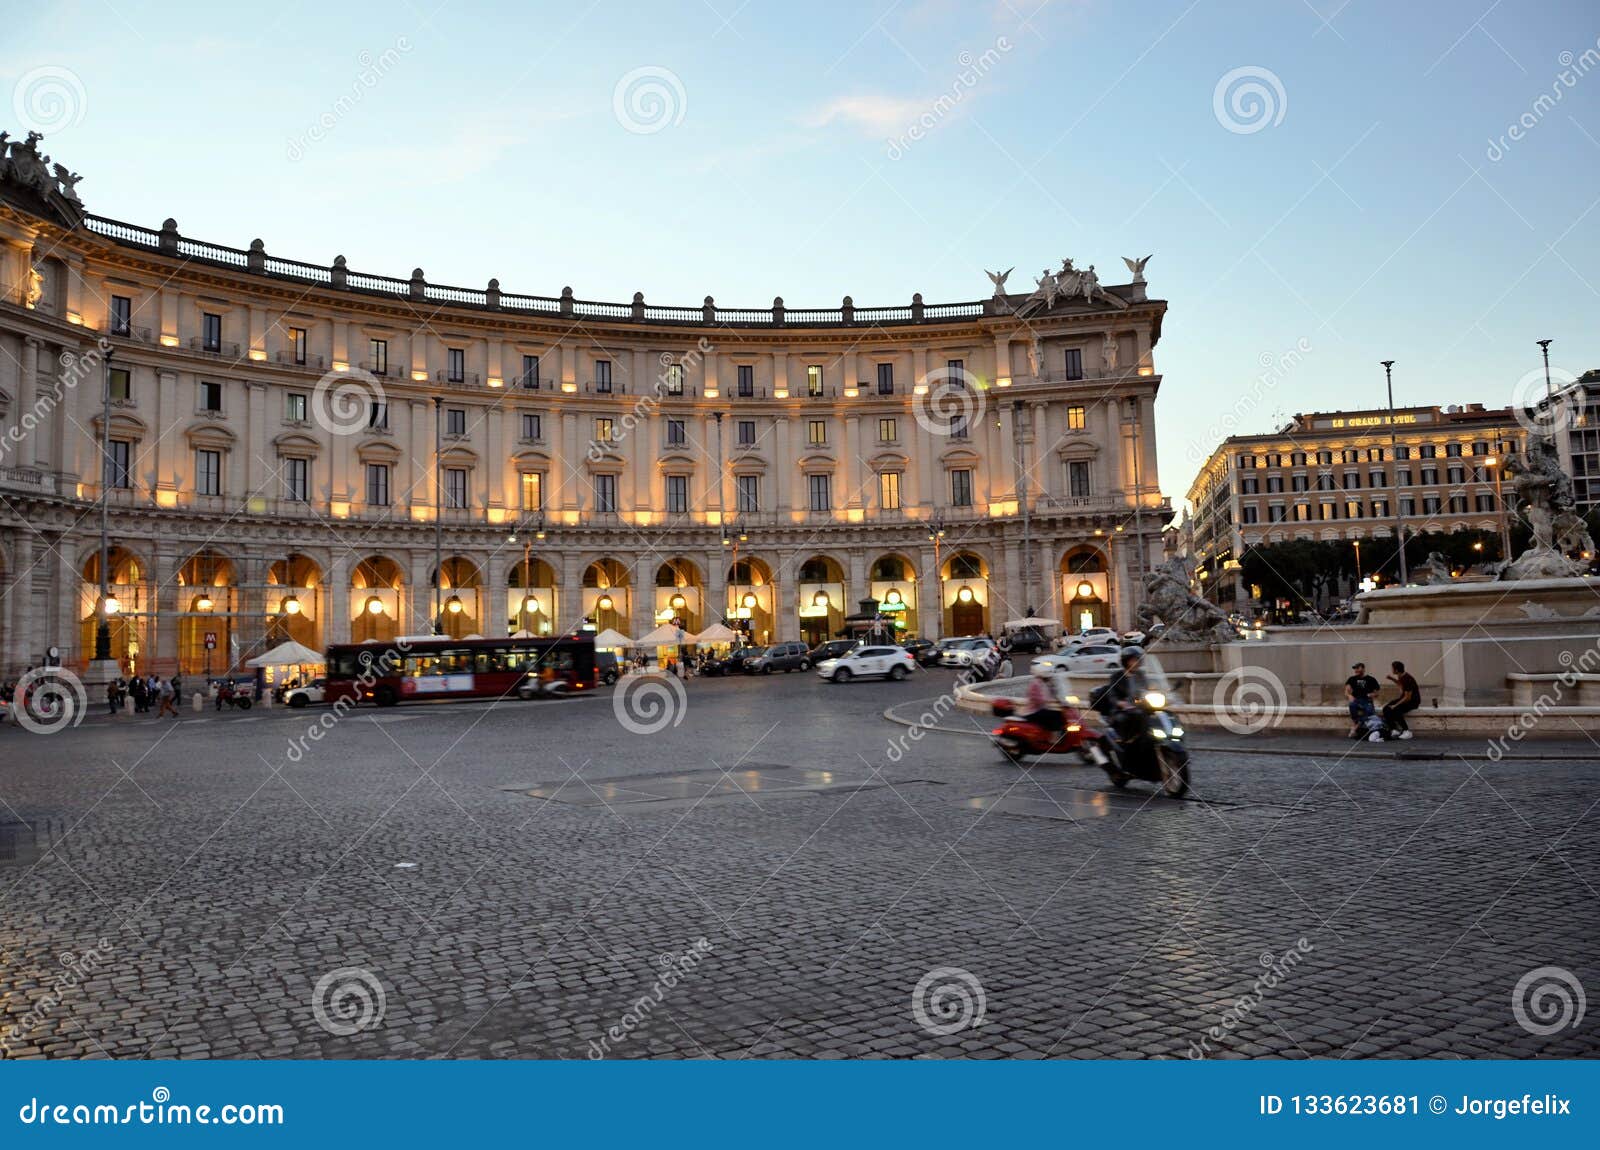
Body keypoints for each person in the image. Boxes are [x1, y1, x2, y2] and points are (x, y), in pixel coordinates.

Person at [1021, 660, 1064, 731]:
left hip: (1039, 710)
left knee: (1059, 715)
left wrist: (1060, 699)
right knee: (1056, 715)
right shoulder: (1036, 683)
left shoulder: (1043, 683)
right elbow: (1040, 700)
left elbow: (1054, 692)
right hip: (1033, 712)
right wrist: (1048, 700)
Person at [1383, 661, 1420, 740]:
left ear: (1396, 670)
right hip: (1405, 698)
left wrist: (1395, 705)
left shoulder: (1407, 679)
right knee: (1386, 708)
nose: (1391, 670)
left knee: (1396, 709)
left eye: (1392, 668)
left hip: (1413, 701)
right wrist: (1392, 679)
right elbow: (1400, 685)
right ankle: (1394, 729)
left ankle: (1407, 731)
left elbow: (1408, 698)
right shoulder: (1401, 676)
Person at [1344, 662, 1380, 737]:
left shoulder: (1371, 679)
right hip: (1356, 700)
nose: (1356, 670)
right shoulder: (1352, 679)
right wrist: (1349, 696)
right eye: (1355, 668)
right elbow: (1346, 691)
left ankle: (1357, 725)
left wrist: (1370, 694)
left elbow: (1377, 694)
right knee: (1352, 705)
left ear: (1363, 669)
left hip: (1367, 700)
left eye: (1358, 668)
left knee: (1370, 712)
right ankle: (1356, 723)